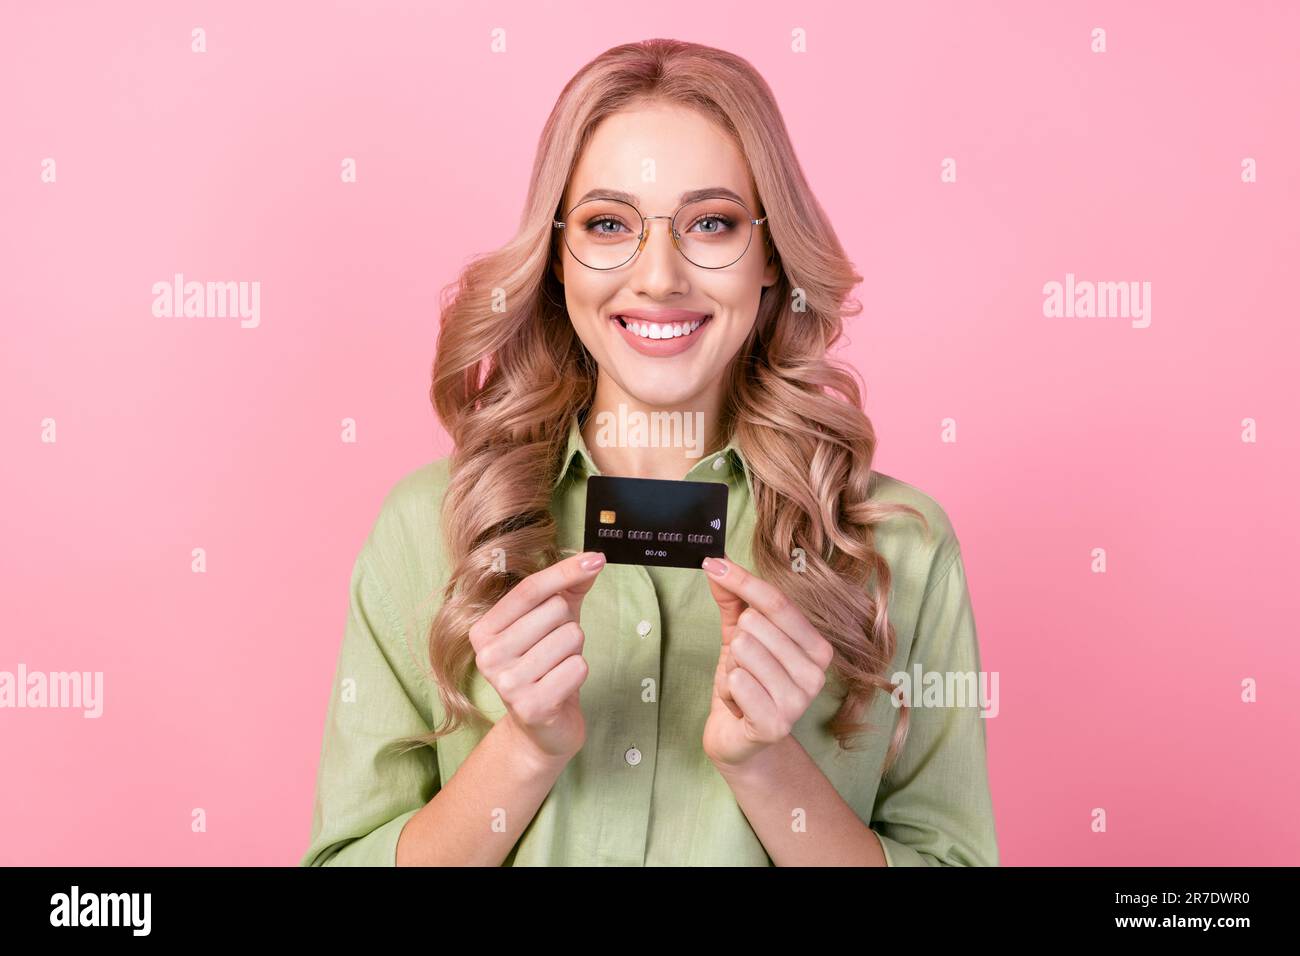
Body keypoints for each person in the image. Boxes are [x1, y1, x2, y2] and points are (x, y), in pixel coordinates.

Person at [300, 38, 998, 867]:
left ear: (771, 255)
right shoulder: (429, 528)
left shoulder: (901, 549)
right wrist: (523, 750)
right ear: (558, 257)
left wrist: (770, 767)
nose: (659, 277)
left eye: (711, 223)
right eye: (607, 224)